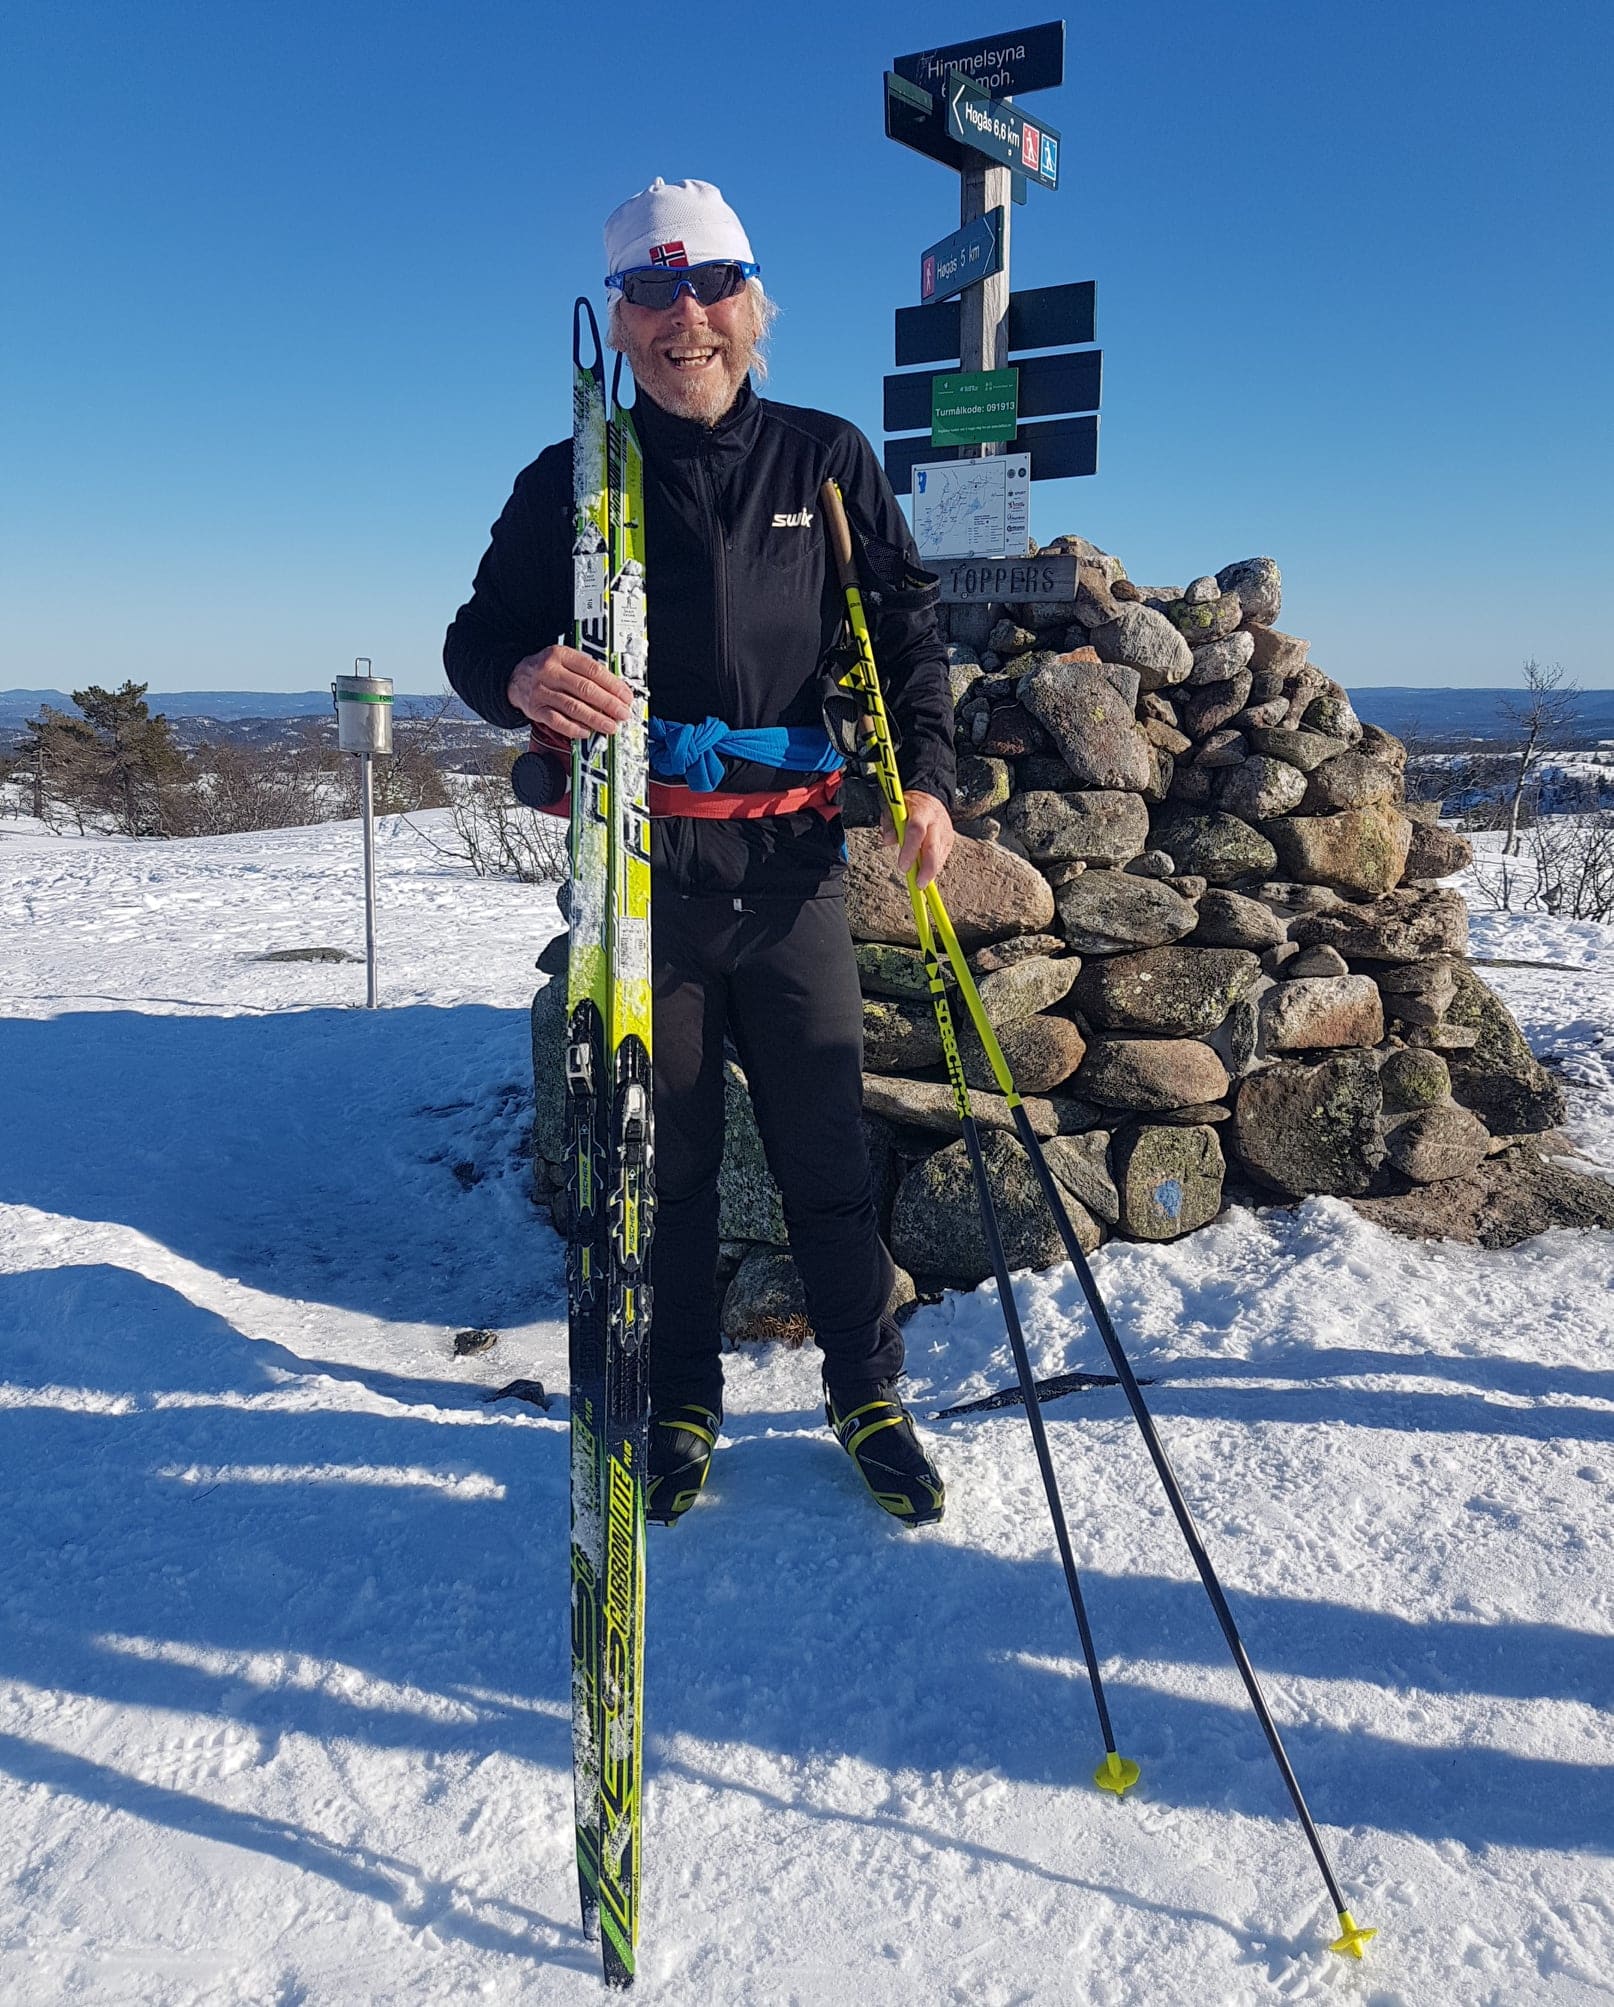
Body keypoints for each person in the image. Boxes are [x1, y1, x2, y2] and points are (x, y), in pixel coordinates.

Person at [444, 178, 956, 1527]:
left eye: (711, 288)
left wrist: (932, 784)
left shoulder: (826, 457)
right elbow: (473, 638)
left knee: (824, 1156)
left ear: (754, 303)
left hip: (786, 871)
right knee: (657, 1163)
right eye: (654, 295)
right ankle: (681, 1400)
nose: (687, 322)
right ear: (617, 318)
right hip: (640, 880)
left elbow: (905, 634)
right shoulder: (571, 477)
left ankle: (867, 1391)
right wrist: (522, 676)